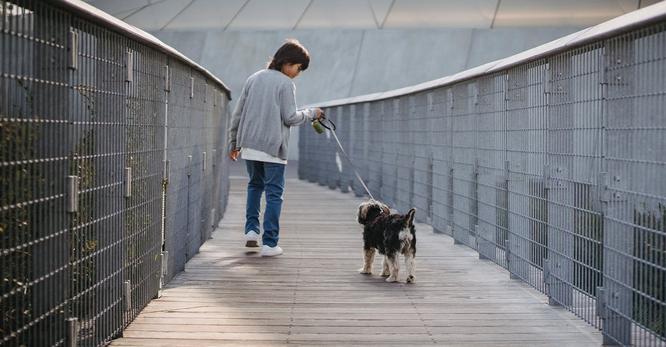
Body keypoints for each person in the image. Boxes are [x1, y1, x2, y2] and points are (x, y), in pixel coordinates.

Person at [228, 39, 323, 257]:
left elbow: (238, 113)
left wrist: (233, 143)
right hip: (272, 148)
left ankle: (251, 231)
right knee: (274, 194)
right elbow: (290, 117)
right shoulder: (286, 84)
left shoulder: (254, 78)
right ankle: (270, 244)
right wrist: (311, 113)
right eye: (298, 68)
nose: (297, 73)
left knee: (254, 186)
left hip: (250, 146)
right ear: (288, 62)